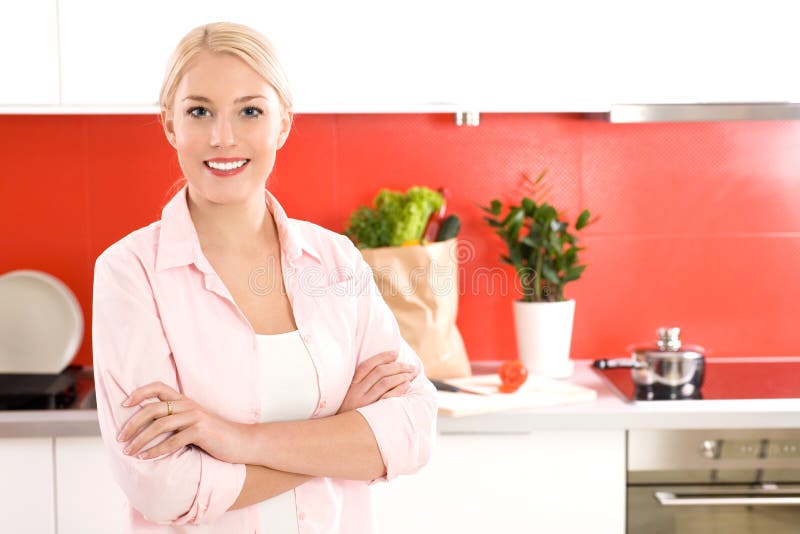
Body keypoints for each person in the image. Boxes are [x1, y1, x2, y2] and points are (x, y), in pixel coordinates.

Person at [92, 21, 437, 533]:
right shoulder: (131, 273)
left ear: (283, 124)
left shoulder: (335, 260)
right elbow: (165, 488)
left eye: (250, 110)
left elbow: (412, 433)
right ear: (170, 125)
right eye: (199, 111)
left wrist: (233, 439)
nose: (223, 137)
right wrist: (338, 431)